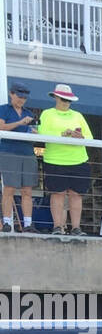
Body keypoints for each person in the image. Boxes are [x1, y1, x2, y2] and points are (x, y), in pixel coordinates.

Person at [37, 84, 93, 240]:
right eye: (63, 99)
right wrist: (62, 134)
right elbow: (42, 133)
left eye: (68, 100)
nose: (66, 102)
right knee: (57, 194)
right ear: (55, 97)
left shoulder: (78, 115)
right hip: (55, 159)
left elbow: (89, 137)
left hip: (78, 159)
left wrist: (78, 137)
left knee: (76, 195)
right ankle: (57, 226)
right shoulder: (47, 114)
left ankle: (75, 227)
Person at [0, 82, 38, 233]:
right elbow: (1, 127)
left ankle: (28, 223)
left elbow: (34, 133)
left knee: (27, 190)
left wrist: (34, 133)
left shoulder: (30, 113)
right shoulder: (3, 109)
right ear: (11, 94)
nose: (22, 100)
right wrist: (20, 123)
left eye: (24, 97)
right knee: (9, 188)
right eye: (19, 96)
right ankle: (8, 221)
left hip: (28, 151)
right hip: (9, 151)